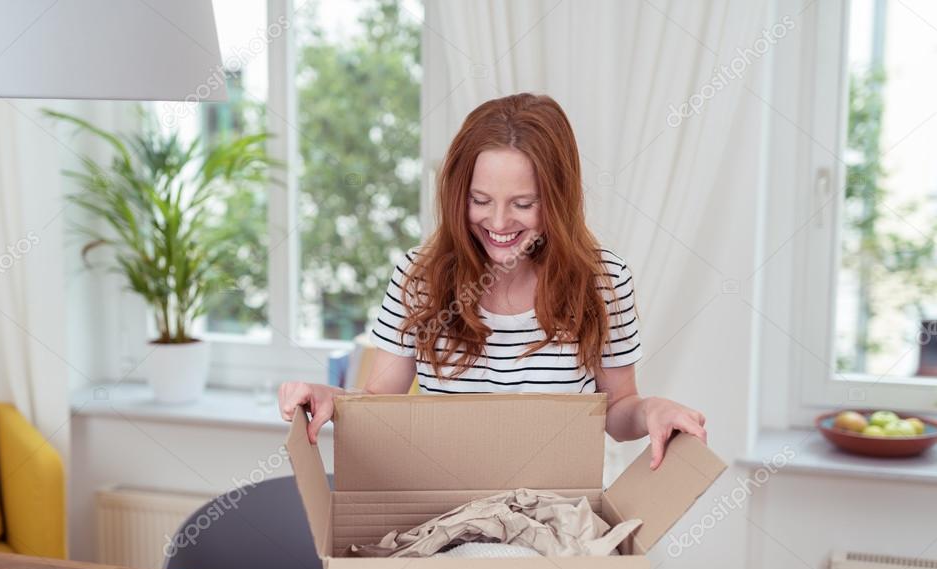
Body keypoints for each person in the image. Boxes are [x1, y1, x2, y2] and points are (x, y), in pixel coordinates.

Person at [279, 93, 706, 469]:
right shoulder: (420, 278)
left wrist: (653, 409)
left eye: (523, 204)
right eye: (480, 200)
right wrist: (331, 398)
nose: (499, 223)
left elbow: (617, 411)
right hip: (442, 506)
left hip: (556, 510)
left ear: (557, 199)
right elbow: (379, 400)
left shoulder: (602, 281)